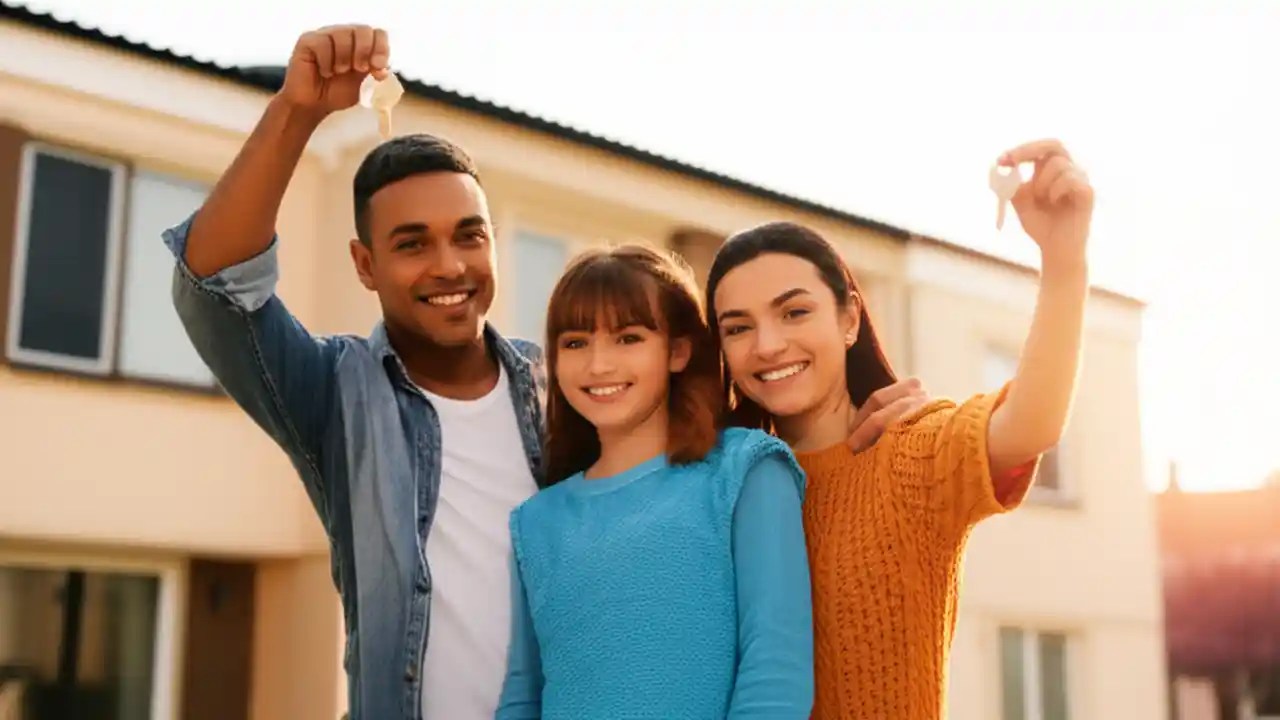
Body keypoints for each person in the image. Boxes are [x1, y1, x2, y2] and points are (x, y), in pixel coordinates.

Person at [162, 22, 925, 720]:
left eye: (470, 235)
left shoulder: (560, 388)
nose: (449, 265)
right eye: (411, 244)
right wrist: (297, 112)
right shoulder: (336, 395)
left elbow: (695, 478)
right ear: (364, 265)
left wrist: (854, 414)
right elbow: (215, 287)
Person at [704, 140, 1093, 720]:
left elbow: (1032, 423)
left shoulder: (910, 452)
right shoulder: (718, 489)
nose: (767, 345)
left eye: (794, 312)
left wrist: (1064, 259)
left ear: (850, 318)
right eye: (738, 328)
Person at [497, 245, 814, 719]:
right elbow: (523, 696)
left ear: (678, 351)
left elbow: (776, 674)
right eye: (576, 342)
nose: (599, 365)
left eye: (628, 338)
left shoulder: (744, 469)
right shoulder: (536, 520)